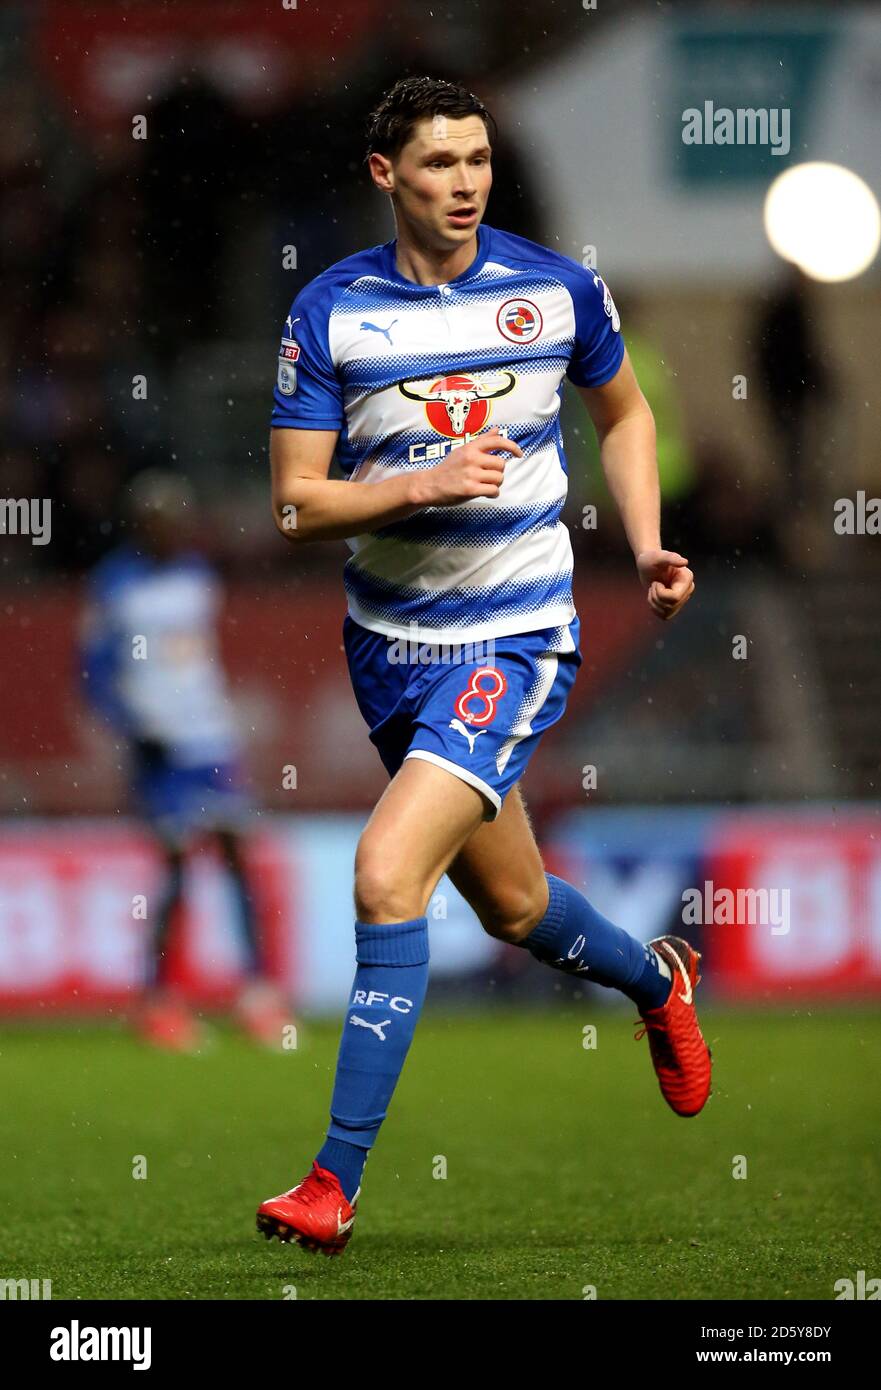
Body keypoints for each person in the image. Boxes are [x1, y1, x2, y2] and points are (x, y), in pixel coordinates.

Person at [257, 77, 708, 1256]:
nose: (463, 184)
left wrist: (648, 536)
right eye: (437, 164)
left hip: (513, 639)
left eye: (477, 161)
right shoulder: (329, 313)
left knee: (382, 873)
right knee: (510, 904)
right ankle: (657, 985)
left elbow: (623, 413)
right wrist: (416, 482)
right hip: (389, 649)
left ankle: (330, 1183)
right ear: (383, 175)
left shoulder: (554, 289)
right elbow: (297, 510)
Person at [80, 469, 288, 1050]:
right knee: (175, 863)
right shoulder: (115, 584)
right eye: (160, 521)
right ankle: (158, 1000)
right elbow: (94, 673)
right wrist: (133, 726)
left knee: (236, 854)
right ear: (141, 524)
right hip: (161, 745)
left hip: (211, 739)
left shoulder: (197, 574)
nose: (172, 530)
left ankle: (258, 993)